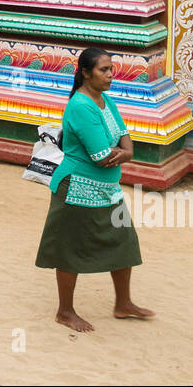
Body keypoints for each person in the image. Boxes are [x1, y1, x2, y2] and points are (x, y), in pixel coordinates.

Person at [35, 47, 154, 332]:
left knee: (123, 240)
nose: (111, 75)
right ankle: (65, 311)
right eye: (104, 70)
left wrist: (121, 152)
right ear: (86, 73)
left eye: (111, 69)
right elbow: (102, 156)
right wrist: (120, 152)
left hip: (107, 189)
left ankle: (123, 304)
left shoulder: (105, 100)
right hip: (76, 186)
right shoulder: (80, 106)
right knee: (69, 248)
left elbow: (128, 146)